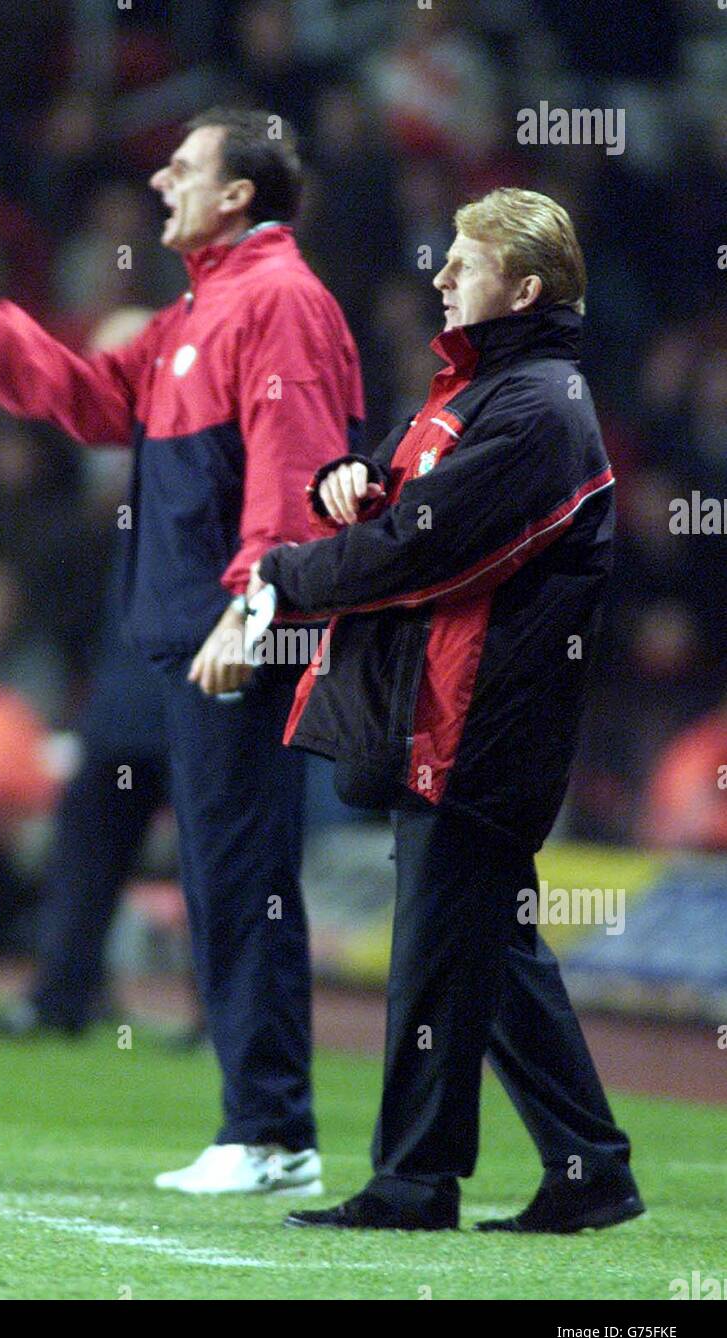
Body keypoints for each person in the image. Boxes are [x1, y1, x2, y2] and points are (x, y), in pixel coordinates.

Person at [0, 107, 364, 1195]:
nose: (162, 176)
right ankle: (263, 1125)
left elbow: (298, 480)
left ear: (238, 197)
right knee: (222, 873)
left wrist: (253, 611)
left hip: (234, 638)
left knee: (244, 872)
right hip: (188, 637)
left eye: (187, 165)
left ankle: (271, 1132)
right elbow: (86, 397)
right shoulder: (198, 311)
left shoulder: (278, 304)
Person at [252, 188, 644, 1233]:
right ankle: (590, 1166)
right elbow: (394, 494)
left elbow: (429, 550)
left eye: (462, 266)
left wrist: (291, 575)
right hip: (451, 710)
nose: (440, 279)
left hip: (478, 721)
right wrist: (346, 477)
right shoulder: (481, 396)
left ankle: (415, 1180)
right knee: (492, 952)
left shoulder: (534, 407)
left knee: (434, 951)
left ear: (521, 287)